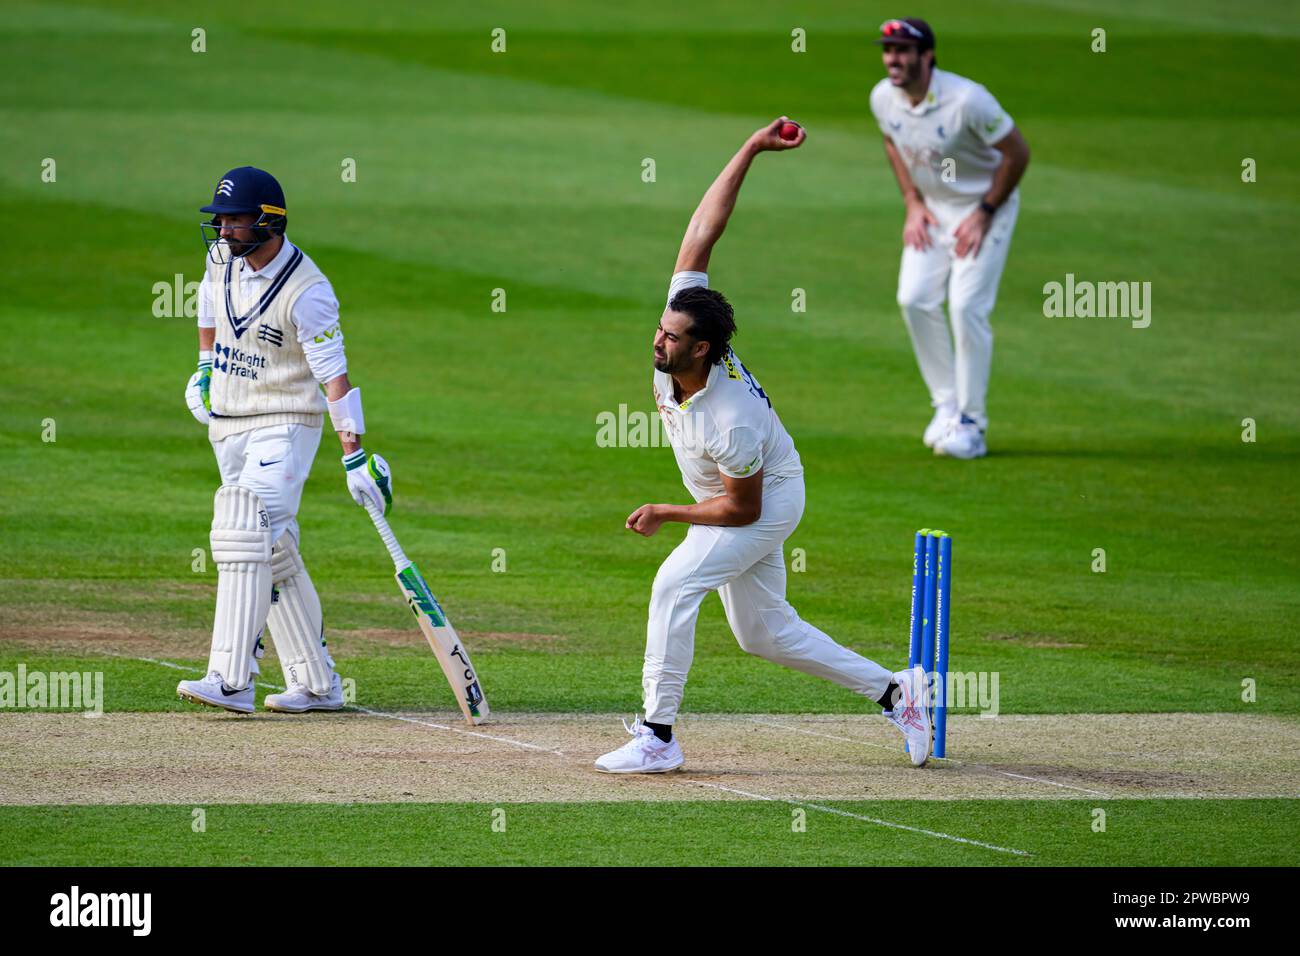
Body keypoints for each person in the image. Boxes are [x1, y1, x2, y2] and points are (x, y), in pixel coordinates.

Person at [595, 120, 933, 774]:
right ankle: (896, 691)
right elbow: (702, 232)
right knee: (763, 634)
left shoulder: (732, 418)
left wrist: (668, 513)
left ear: (702, 349)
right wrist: (749, 149)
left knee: (673, 585)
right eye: (659, 330)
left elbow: (741, 512)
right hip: (735, 495)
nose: (657, 342)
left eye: (671, 338)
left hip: (763, 501)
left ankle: (658, 736)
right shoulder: (684, 339)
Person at [176, 166, 391, 714]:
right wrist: (204, 368)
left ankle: (231, 679)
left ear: (269, 220)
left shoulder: (309, 291)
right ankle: (317, 684)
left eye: (235, 220)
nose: (223, 230)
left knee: (242, 527)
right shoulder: (219, 260)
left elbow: (333, 375)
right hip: (227, 422)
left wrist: (355, 455)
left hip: (287, 423)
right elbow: (207, 309)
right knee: (270, 549)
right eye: (219, 220)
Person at [870, 18, 1030, 459]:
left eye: (903, 50)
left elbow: (1018, 153)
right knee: (914, 298)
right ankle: (946, 407)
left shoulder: (968, 100)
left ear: (927, 56)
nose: (893, 59)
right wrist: (911, 201)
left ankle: (972, 425)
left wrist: (985, 212)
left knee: (965, 306)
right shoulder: (883, 97)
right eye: (888, 50)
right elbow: (891, 140)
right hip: (933, 210)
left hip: (984, 207)